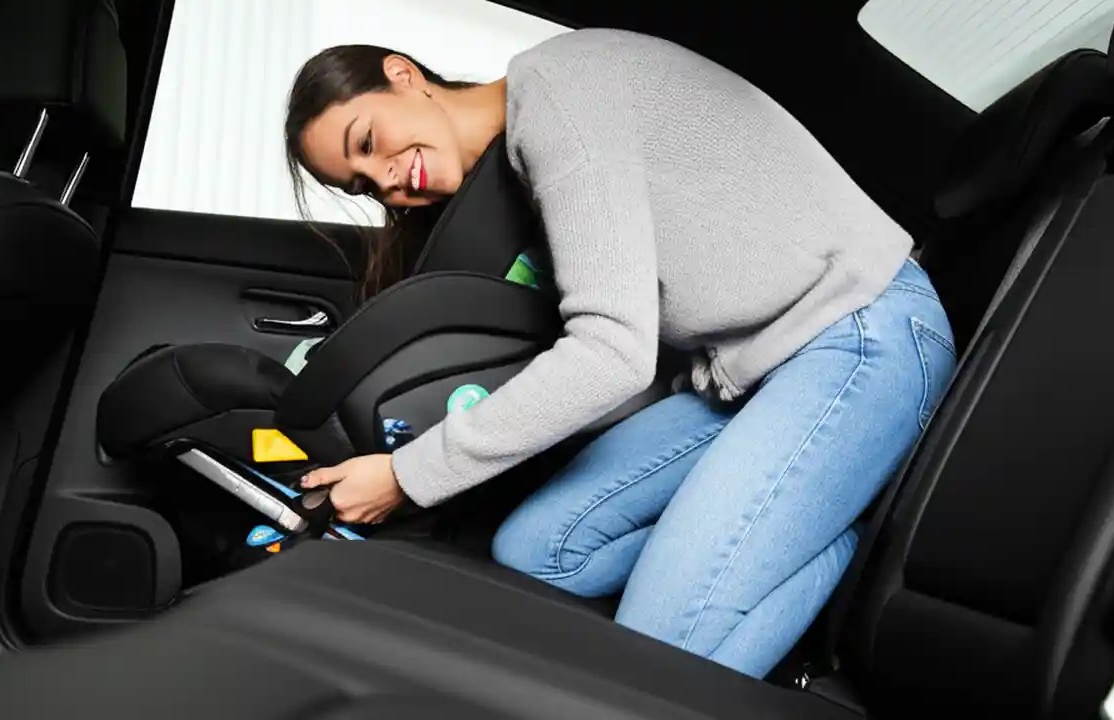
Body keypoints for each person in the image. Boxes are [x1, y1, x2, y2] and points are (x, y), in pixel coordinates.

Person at [286, 28, 956, 679]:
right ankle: (813, 529)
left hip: (861, 332)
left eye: (368, 142)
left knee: (651, 656)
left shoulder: (558, 90)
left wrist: (409, 474)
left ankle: (793, 532)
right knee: (536, 549)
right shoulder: (526, 142)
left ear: (404, 75)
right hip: (745, 374)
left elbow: (610, 352)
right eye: (364, 183)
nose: (387, 178)